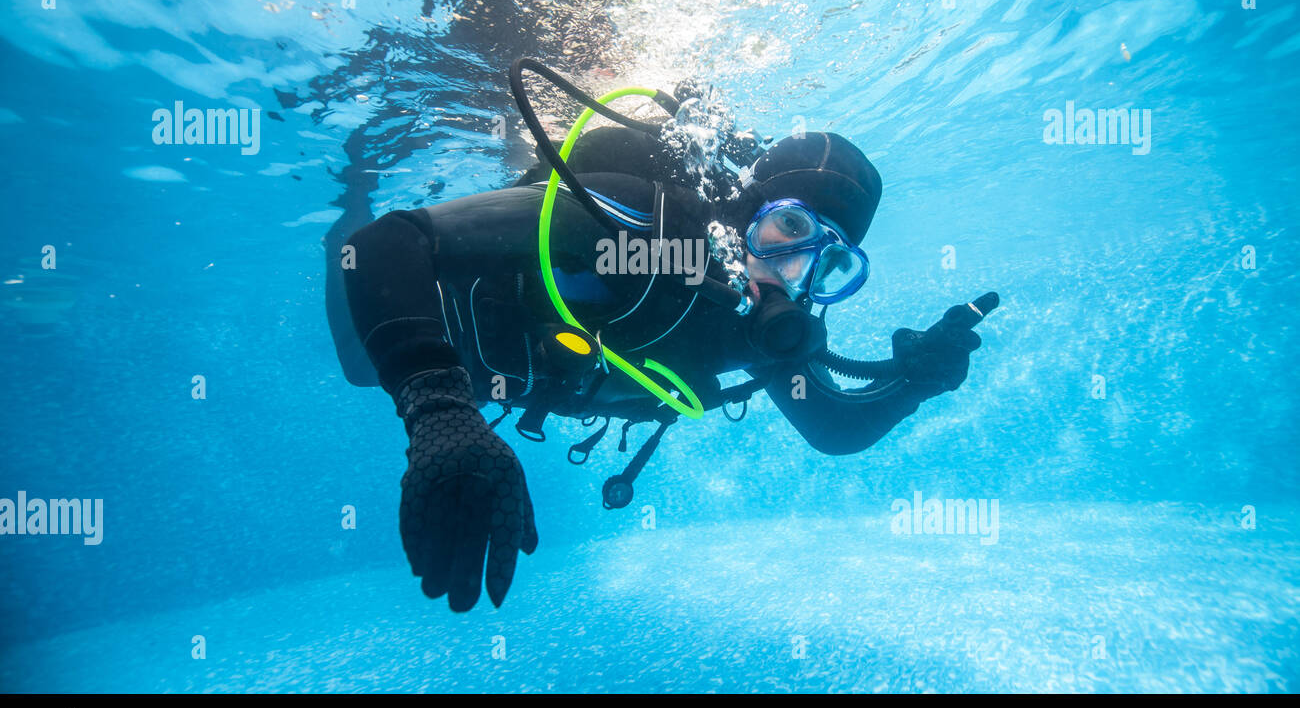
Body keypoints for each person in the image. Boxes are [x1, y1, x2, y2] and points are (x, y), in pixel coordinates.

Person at [338, 61, 997, 612]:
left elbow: (835, 429)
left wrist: (919, 383)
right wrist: (436, 409)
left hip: (510, 386)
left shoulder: (769, 329)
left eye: (830, 264)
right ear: (742, 211)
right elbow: (389, 245)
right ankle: (352, 186)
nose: (792, 276)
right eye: (788, 231)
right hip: (433, 329)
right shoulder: (634, 224)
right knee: (356, 358)